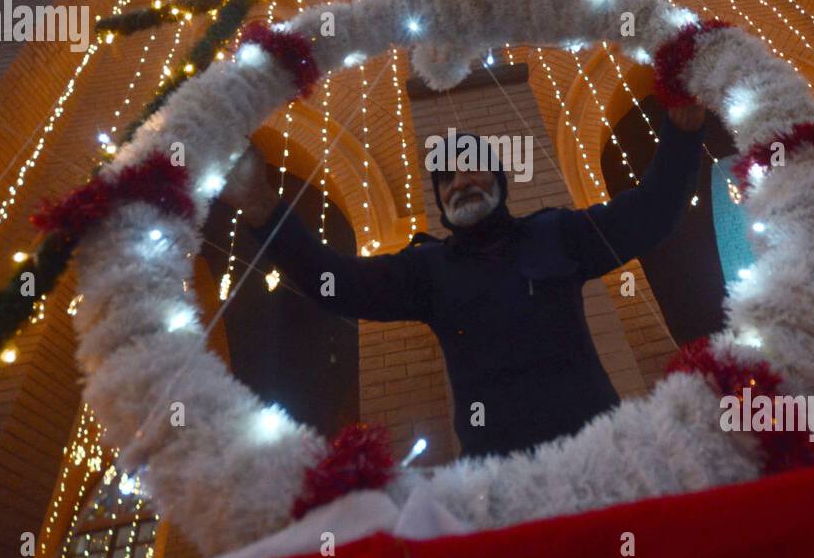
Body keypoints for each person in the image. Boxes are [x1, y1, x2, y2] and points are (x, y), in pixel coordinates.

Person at [222, 101, 707, 459]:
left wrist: (683, 130)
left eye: (471, 166)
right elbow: (336, 282)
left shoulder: (559, 233)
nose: (459, 181)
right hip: (499, 485)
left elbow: (652, 212)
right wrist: (264, 210)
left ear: (499, 178)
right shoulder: (427, 270)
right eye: (446, 177)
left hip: (603, 460)